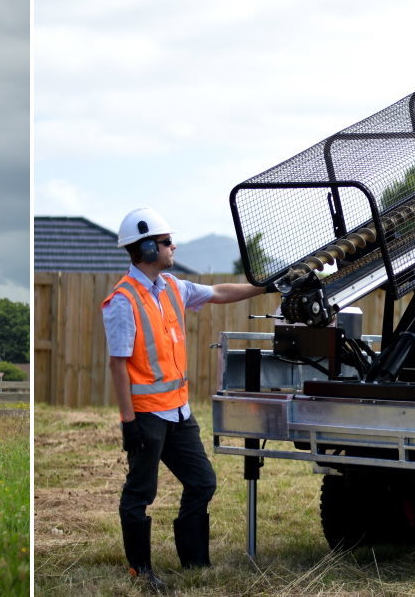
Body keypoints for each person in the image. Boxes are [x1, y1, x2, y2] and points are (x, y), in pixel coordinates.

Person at [102, 207, 267, 589]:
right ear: (145, 248)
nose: (172, 245)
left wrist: (264, 286)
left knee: (202, 481)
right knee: (141, 492)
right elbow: (117, 365)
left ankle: (194, 563)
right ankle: (140, 572)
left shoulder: (174, 287)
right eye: (165, 241)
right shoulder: (124, 301)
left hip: (178, 412)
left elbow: (220, 292)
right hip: (146, 416)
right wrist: (129, 423)